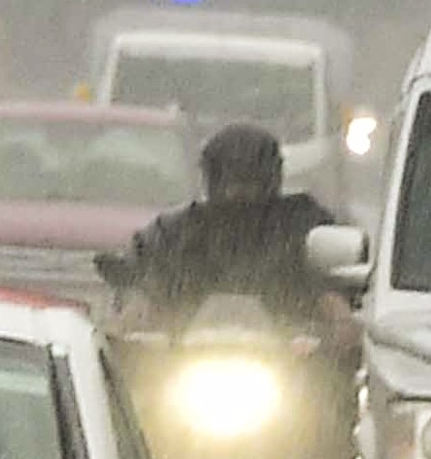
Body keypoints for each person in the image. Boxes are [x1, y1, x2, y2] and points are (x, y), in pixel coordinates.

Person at [121, 124, 348, 340]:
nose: (239, 192)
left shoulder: (303, 227)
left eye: (251, 181)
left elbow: (332, 294)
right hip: (184, 360)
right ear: (212, 179)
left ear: (271, 178)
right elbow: (143, 295)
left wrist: (337, 326)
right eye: (231, 181)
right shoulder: (174, 233)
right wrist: (136, 324)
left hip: (290, 362)